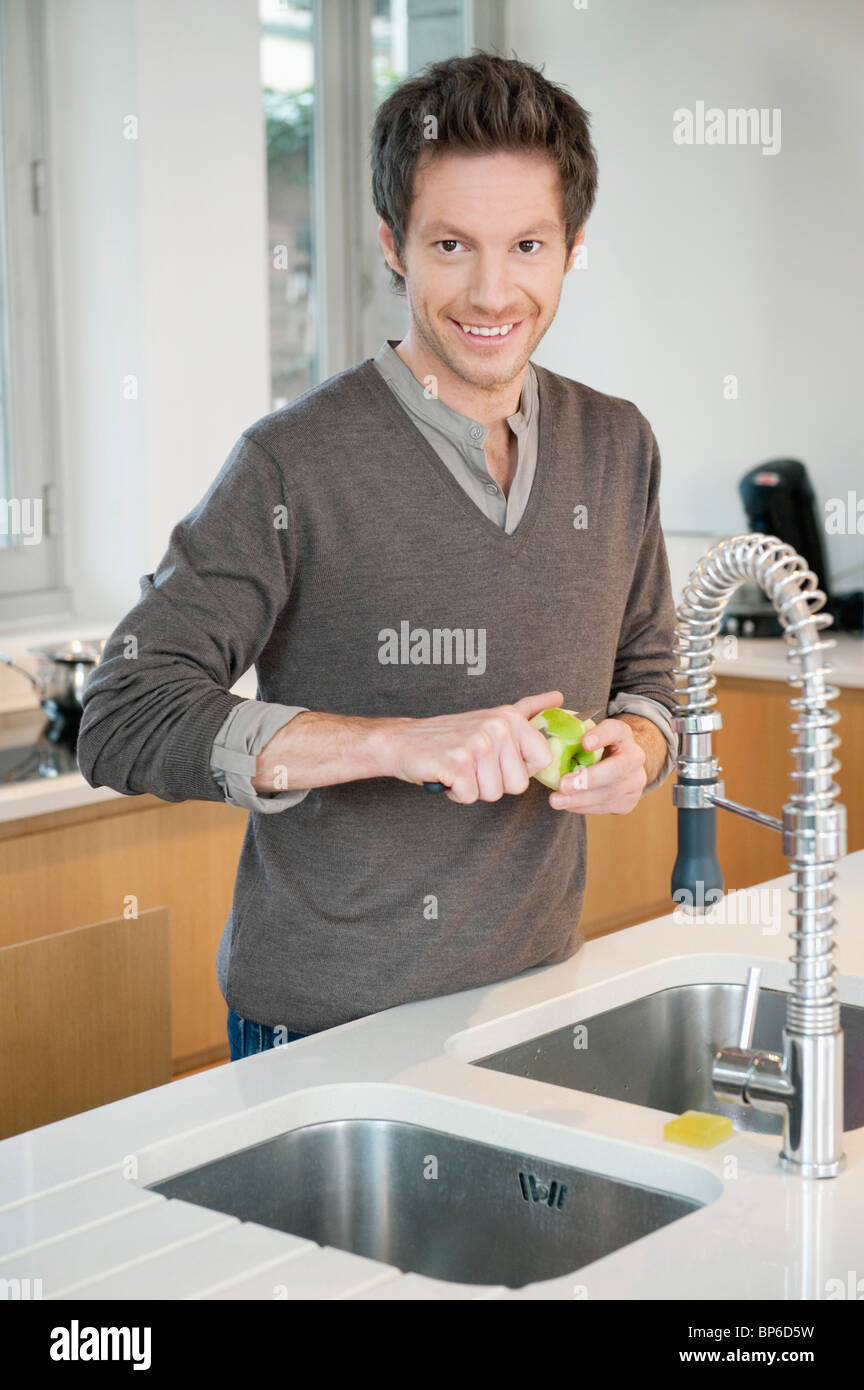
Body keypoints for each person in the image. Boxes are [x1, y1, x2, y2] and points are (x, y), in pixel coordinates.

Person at [77, 52, 678, 1064]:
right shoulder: (293, 461)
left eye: (527, 244)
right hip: (322, 1030)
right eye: (452, 245)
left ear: (573, 247)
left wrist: (641, 751)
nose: (493, 292)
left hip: (534, 1001)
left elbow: (653, 677)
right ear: (395, 246)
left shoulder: (618, 445)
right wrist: (395, 745)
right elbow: (124, 711)